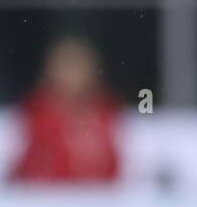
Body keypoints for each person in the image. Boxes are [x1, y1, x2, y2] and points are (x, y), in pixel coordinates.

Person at [9, 37, 120, 183]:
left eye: (78, 67)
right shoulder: (37, 110)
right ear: (51, 71)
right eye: (66, 67)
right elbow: (29, 163)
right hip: (46, 198)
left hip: (95, 198)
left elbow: (112, 164)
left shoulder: (104, 109)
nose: (72, 76)